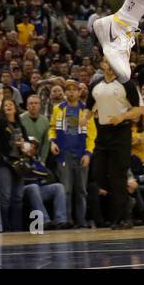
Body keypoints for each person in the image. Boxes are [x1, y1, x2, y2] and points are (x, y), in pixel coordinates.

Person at [88, 58, 143, 229]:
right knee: (97, 173)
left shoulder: (127, 83)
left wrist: (122, 116)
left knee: (118, 176)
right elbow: (89, 107)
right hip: (102, 133)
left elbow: (139, 110)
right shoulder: (95, 85)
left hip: (121, 132)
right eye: (106, 62)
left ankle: (123, 218)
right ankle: (126, 203)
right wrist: (84, 117)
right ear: (102, 65)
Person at [47, 78, 95, 228]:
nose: (71, 92)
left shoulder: (86, 111)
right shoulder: (58, 109)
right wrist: (52, 142)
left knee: (81, 190)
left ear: (79, 92)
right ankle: (67, 220)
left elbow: (92, 134)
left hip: (81, 153)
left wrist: (88, 154)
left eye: (74, 89)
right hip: (64, 153)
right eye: (68, 89)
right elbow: (52, 128)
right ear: (65, 92)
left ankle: (81, 221)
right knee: (65, 189)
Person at [0, 97, 30, 231]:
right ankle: (5, 227)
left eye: (10, 104)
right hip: (2, 163)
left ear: (15, 107)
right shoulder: (0, 123)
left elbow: (28, 146)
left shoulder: (20, 125)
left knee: (18, 196)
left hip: (18, 163)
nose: (8, 106)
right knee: (5, 196)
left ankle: (17, 227)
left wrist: (23, 145)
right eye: (5, 105)